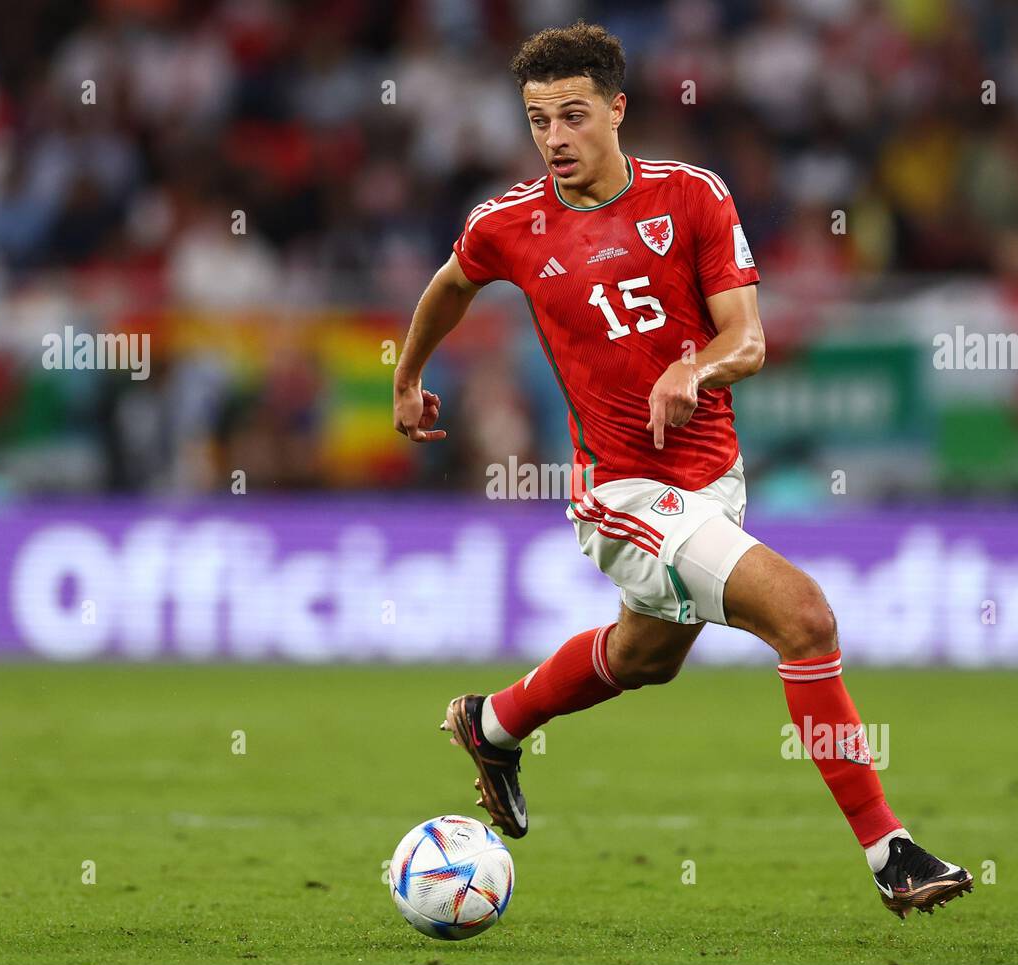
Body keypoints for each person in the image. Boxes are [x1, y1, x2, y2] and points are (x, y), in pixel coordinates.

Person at [393, 21, 971, 919]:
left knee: (643, 656)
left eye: (572, 116)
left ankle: (493, 722)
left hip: (711, 479)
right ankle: (891, 850)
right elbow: (452, 283)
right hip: (617, 491)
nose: (553, 139)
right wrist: (409, 374)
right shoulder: (509, 223)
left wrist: (692, 366)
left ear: (617, 110)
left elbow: (747, 336)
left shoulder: (692, 198)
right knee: (805, 616)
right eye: (538, 120)